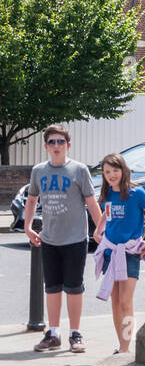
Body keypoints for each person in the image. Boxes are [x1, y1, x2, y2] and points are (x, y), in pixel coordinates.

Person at [24, 124, 103, 354]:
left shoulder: (79, 170)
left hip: (75, 240)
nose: (56, 146)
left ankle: (75, 334)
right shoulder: (39, 171)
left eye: (60, 142)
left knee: (74, 288)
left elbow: (91, 203)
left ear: (68, 145)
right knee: (52, 288)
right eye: (52, 142)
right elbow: (31, 201)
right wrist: (28, 227)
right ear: (46, 146)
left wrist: (101, 231)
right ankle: (54, 333)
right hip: (49, 239)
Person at [92, 152, 145, 354]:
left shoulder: (136, 193)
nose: (111, 175)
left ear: (123, 170)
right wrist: (97, 230)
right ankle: (121, 345)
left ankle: (126, 347)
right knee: (114, 301)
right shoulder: (107, 194)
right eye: (107, 172)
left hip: (129, 252)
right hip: (110, 252)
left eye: (115, 170)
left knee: (125, 302)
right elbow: (106, 213)